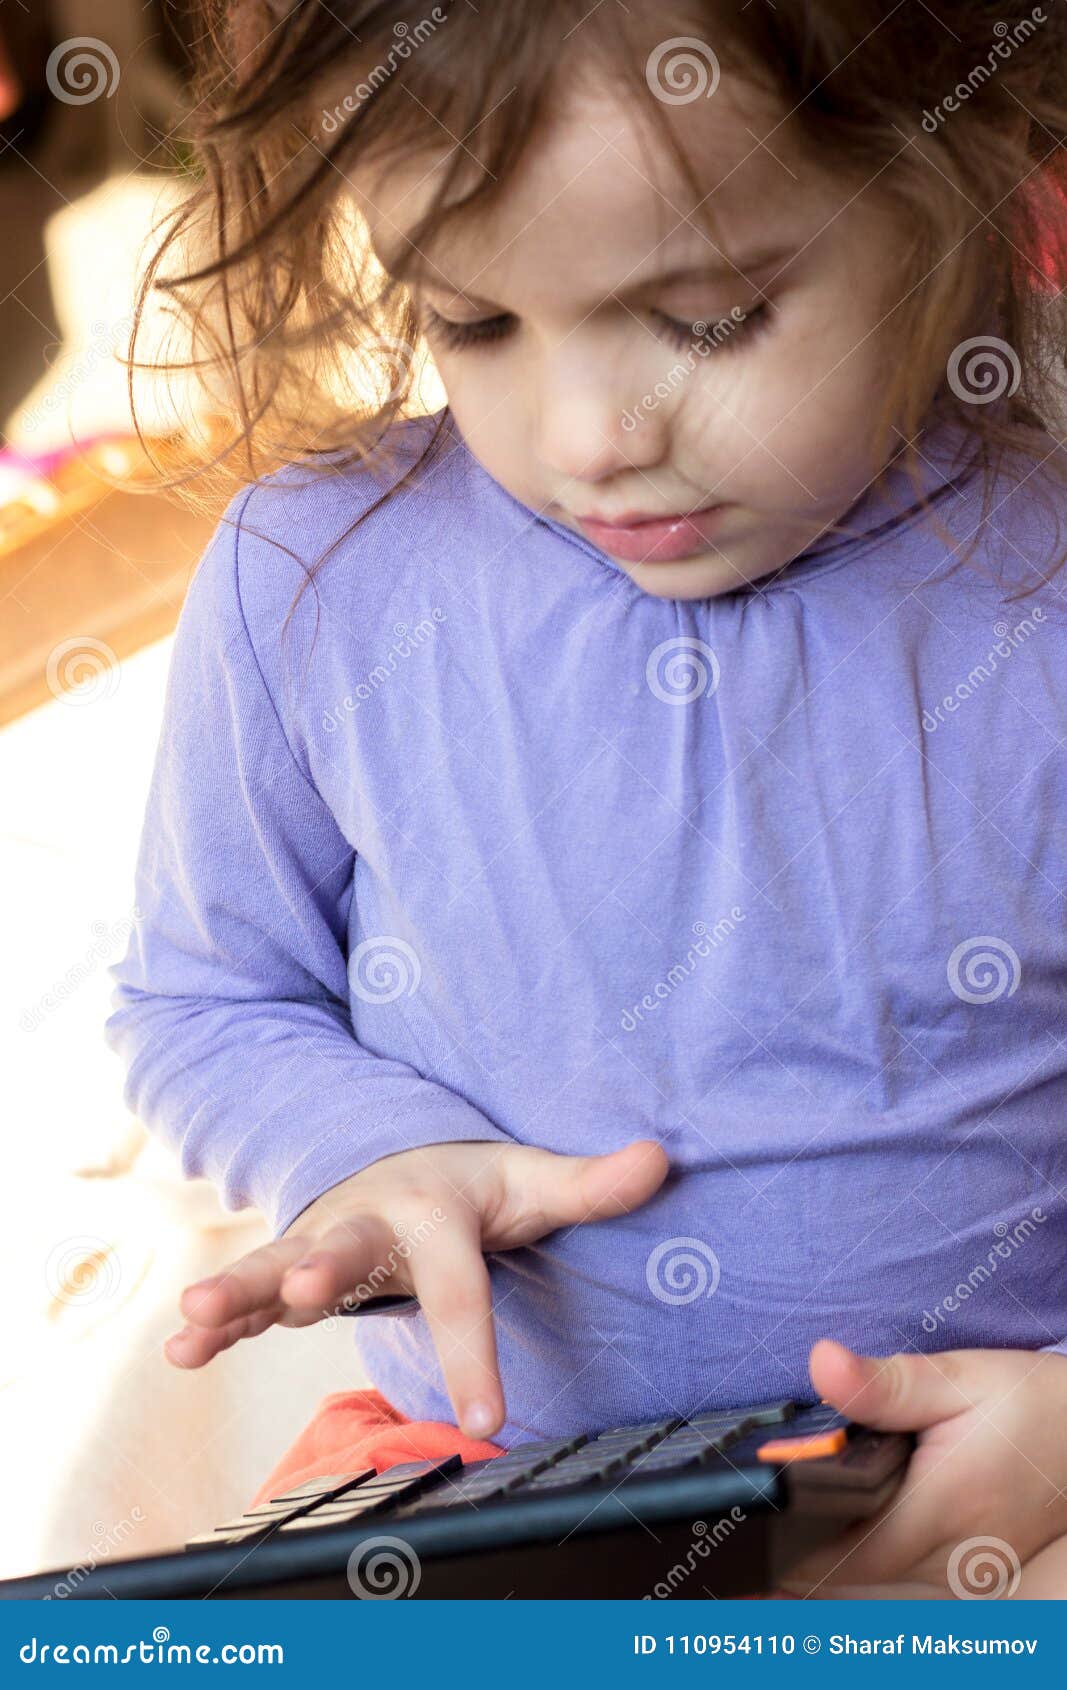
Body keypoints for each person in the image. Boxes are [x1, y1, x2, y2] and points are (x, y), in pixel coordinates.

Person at [106, 0, 1067, 1596]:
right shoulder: (311, 583)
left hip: (1005, 1498)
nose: (587, 438)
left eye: (707, 317)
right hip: (480, 1498)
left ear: (953, 178)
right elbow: (205, 995)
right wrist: (369, 1151)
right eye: (473, 322)